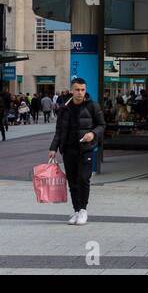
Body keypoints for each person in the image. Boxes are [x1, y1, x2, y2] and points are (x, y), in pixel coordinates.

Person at [47, 77, 105, 226]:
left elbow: (101, 125)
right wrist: (53, 148)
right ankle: (76, 210)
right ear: (72, 90)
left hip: (86, 149)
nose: (80, 93)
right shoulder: (64, 108)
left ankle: (84, 210)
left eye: (83, 90)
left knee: (83, 179)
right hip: (68, 149)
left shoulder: (93, 106)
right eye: (77, 90)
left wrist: (92, 134)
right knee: (72, 181)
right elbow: (59, 131)